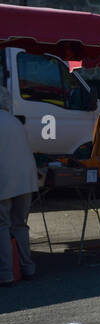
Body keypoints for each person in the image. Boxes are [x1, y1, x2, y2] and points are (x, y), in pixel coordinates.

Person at [0, 89, 39, 286]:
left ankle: (6, 272)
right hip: (25, 180)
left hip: (5, 180)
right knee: (20, 224)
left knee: (2, 225)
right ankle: (28, 267)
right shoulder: (14, 120)